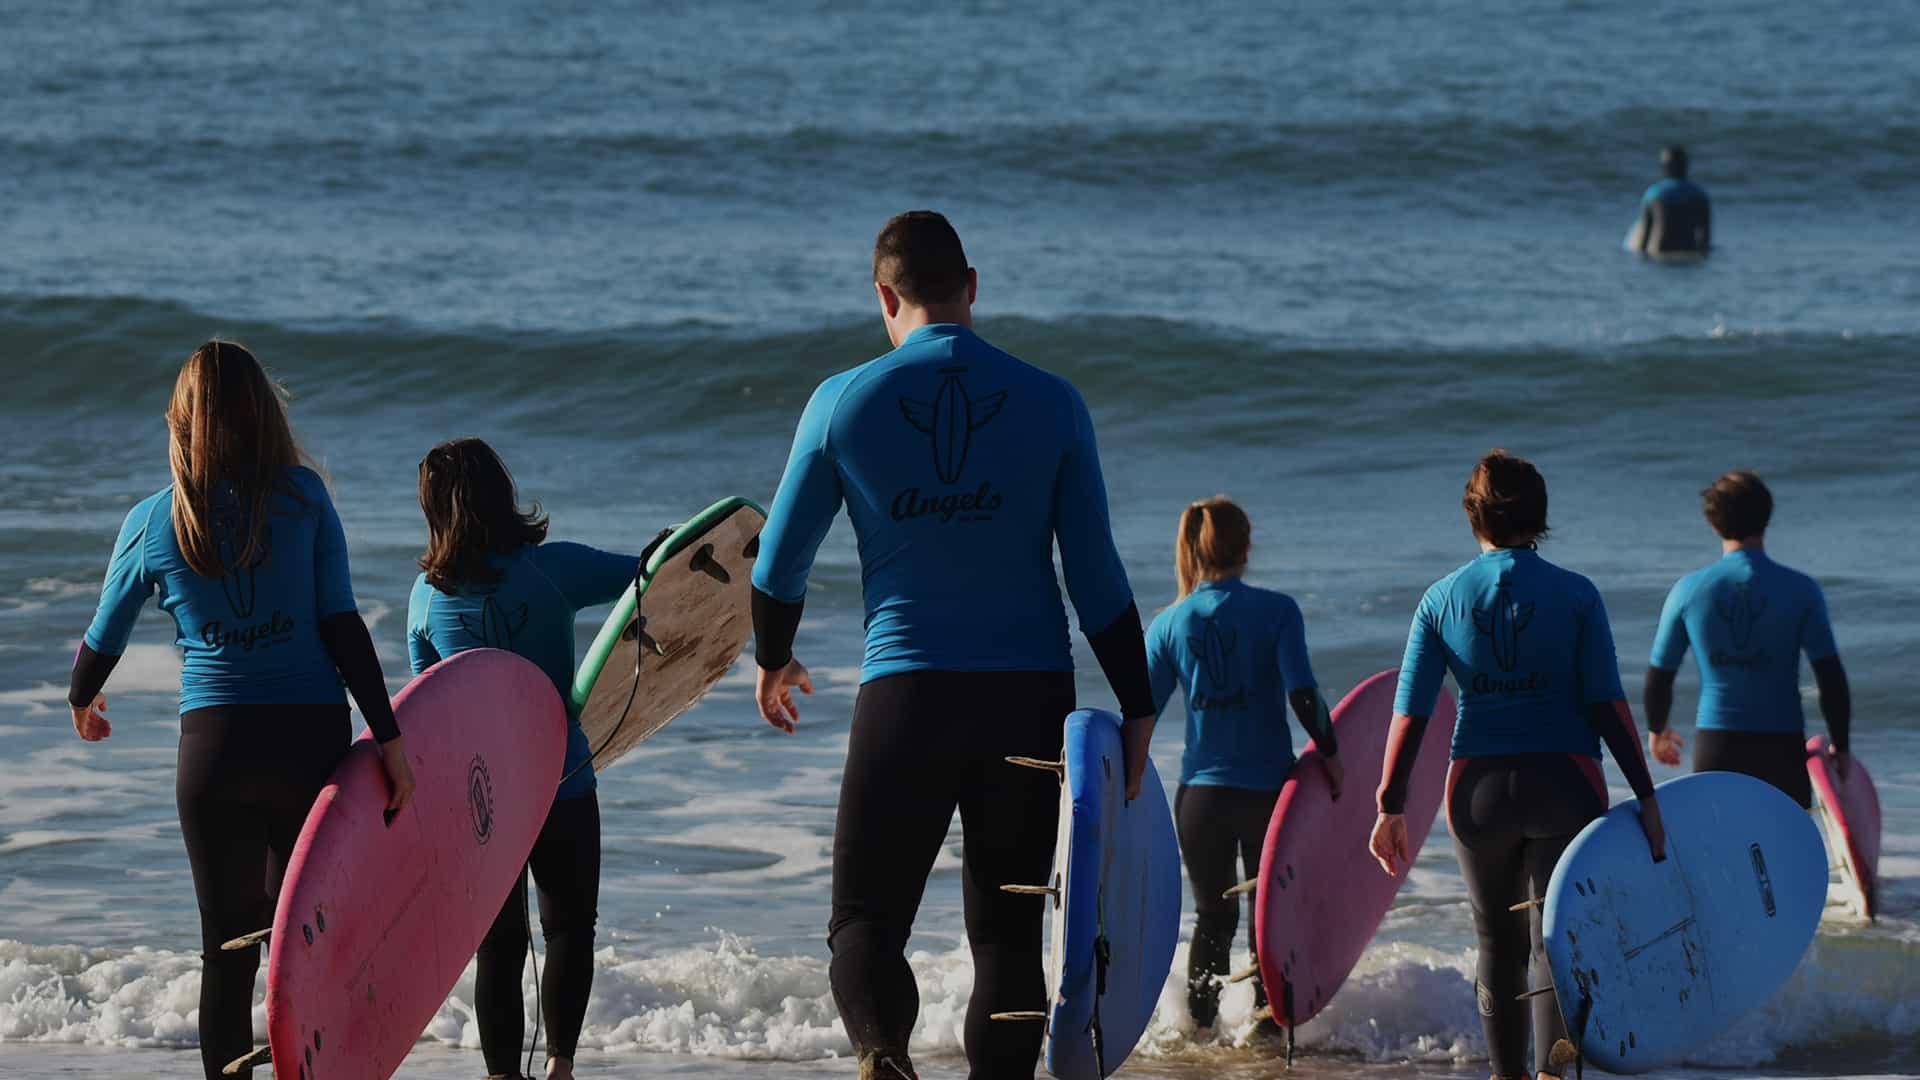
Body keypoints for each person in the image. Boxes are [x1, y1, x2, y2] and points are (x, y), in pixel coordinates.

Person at [749, 211, 1156, 1080]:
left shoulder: (841, 403)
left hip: (908, 694)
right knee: (1008, 932)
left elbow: (778, 567)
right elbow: (1098, 580)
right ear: (973, 286)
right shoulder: (1053, 404)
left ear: (883, 297)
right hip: (1029, 697)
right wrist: (1140, 702)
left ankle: (882, 1054)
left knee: (864, 922)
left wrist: (772, 655)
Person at [66, 341, 415, 1080]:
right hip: (307, 749)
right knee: (310, 948)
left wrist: (81, 697)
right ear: (264, 412)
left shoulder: (152, 519)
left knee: (225, 951)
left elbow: (101, 641)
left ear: (180, 420)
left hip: (215, 754)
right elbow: (342, 628)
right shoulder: (305, 497)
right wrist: (389, 739)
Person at [1367, 450, 1663, 1080]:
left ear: (1472, 515)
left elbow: (1410, 714)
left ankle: (1506, 1076)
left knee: (1495, 946)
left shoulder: (1440, 598)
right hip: (1566, 785)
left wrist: (1389, 804)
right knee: (1555, 945)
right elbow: (1607, 706)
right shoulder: (1578, 595)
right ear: (1541, 515)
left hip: (1476, 792)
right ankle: (1554, 1076)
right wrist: (1648, 795)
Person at [407, 438, 644, 1080]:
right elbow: (648, 574)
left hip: (478, 797)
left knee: (498, 943)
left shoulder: (424, 600)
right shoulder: (553, 570)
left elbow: (429, 716)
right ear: (500, 495)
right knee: (570, 929)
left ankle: (500, 1076)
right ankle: (561, 1067)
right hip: (560, 779)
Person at [1144, 496, 1341, 1032]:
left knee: (1212, 917)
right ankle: (1266, 1031)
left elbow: (1140, 712)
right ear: (1246, 546)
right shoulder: (1278, 611)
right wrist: (1331, 753)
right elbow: (1303, 695)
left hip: (1200, 799)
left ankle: (1199, 1034)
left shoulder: (1169, 623)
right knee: (1266, 921)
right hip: (1266, 796)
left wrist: (1123, 783)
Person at [1644, 471, 1850, 808]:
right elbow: (1830, 676)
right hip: (1782, 749)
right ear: (1766, 518)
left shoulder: (1689, 591)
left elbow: (1659, 677)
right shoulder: (1801, 590)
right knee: (1786, 852)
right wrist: (1841, 747)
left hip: (1717, 746)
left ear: (1713, 523)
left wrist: (1657, 730)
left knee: (1722, 851)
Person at [1629, 144, 1711, 256]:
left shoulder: (1654, 193)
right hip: (1689, 252)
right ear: (1685, 166)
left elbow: (1646, 230)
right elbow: (1705, 235)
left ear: (1664, 166)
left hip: (1659, 250)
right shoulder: (1699, 195)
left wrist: (1641, 255)